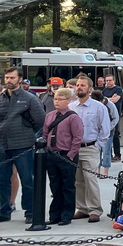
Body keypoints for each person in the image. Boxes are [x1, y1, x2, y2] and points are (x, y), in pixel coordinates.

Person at [0, 66, 46, 223]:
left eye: (12, 78)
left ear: (20, 79)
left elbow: (41, 120)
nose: (9, 80)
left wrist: (28, 131)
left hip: (23, 145)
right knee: (2, 181)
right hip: (2, 145)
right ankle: (4, 211)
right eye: (7, 77)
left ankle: (30, 211)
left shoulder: (29, 98)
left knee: (27, 180)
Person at [69, 76, 111, 223]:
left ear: (90, 89)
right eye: (77, 85)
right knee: (78, 180)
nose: (79, 87)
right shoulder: (71, 107)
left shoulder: (99, 107)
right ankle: (82, 208)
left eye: (82, 85)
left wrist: (98, 146)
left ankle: (95, 209)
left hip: (90, 147)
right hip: (74, 148)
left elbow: (105, 129)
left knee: (90, 178)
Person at [42, 88, 83, 226]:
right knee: (55, 186)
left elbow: (77, 138)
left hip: (66, 154)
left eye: (60, 99)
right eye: (55, 99)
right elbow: (45, 133)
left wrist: (71, 155)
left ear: (68, 101)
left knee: (67, 186)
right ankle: (55, 215)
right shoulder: (50, 115)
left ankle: (67, 215)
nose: (57, 102)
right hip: (52, 154)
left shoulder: (73, 117)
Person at [92, 89, 119, 178]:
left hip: (108, 132)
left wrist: (108, 128)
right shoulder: (94, 105)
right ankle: (98, 170)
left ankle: (105, 171)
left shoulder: (110, 105)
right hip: (96, 131)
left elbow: (116, 118)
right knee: (97, 151)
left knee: (106, 151)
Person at [101, 74, 123, 161]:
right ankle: (108, 155)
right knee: (107, 135)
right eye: (106, 81)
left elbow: (115, 100)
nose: (108, 82)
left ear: (114, 81)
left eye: (110, 80)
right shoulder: (104, 90)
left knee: (115, 135)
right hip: (105, 114)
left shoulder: (118, 89)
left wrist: (107, 99)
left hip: (115, 114)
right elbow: (101, 100)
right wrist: (110, 98)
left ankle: (117, 154)